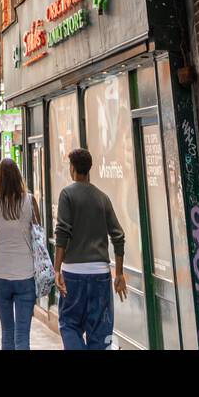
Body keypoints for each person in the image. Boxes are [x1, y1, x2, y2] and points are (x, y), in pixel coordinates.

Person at [54, 147, 127, 350]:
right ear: (89, 169)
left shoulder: (67, 195)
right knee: (100, 331)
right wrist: (119, 274)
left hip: (73, 274)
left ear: (72, 169)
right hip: (100, 275)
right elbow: (118, 236)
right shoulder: (102, 198)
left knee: (69, 325)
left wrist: (57, 269)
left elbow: (62, 233)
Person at [0, 157, 40, 350]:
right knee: (22, 334)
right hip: (26, 273)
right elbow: (38, 238)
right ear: (18, 177)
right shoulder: (30, 200)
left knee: (7, 330)